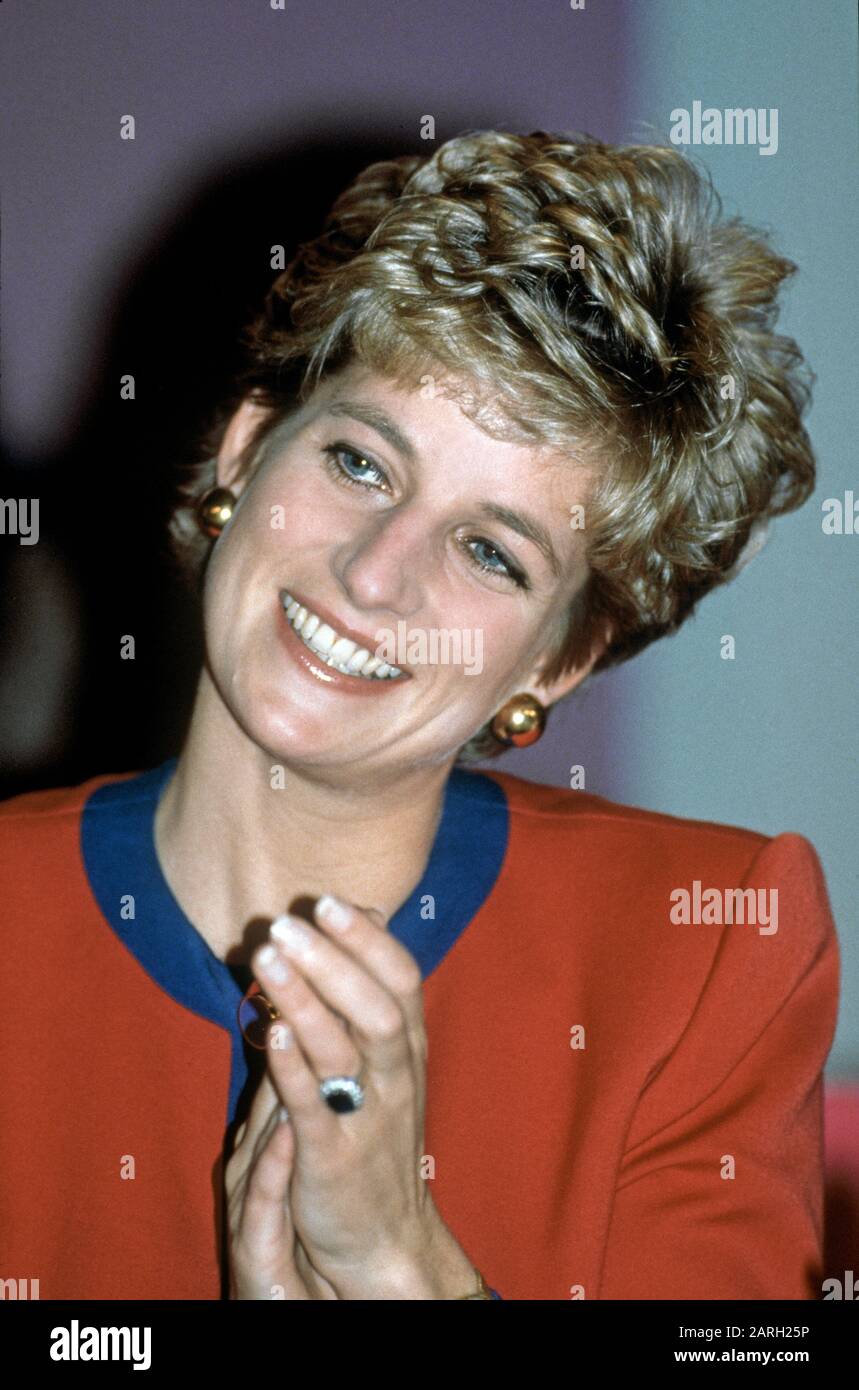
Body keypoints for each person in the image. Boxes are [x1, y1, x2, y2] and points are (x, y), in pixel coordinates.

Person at [0, 129, 839, 1300]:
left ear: (560, 660)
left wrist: (400, 1266)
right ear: (243, 451)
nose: (378, 573)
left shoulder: (702, 953)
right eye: (358, 463)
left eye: (490, 551)